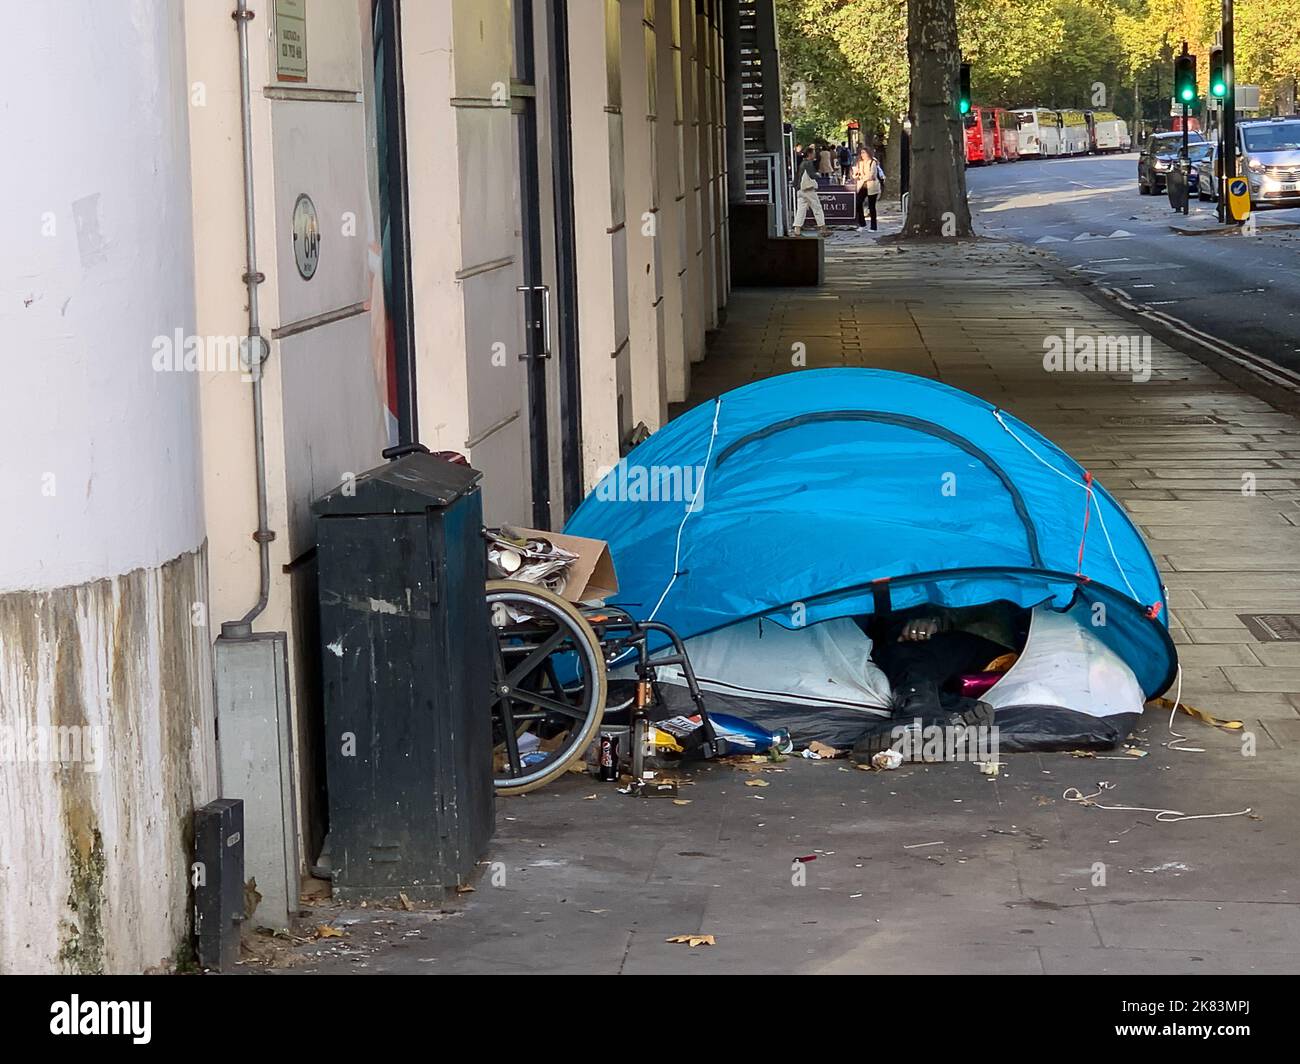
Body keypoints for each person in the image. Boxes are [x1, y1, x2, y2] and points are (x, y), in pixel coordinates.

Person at [849, 601, 1027, 762]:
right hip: (950, 655)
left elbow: (974, 593)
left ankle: (919, 716)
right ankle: (954, 711)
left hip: (984, 641)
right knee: (893, 661)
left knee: (907, 655)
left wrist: (936, 621)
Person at [790, 146, 830, 237]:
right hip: (808, 189)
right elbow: (812, 175)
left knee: (801, 209)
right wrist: (819, 175)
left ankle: (797, 229)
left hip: (800, 190)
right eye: (813, 153)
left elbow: (797, 176)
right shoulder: (808, 163)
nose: (815, 155)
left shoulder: (801, 163)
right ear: (810, 154)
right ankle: (823, 228)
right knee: (817, 208)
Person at [852, 145, 884, 231]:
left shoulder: (872, 162)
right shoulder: (860, 163)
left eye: (864, 153)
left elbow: (872, 175)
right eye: (861, 153)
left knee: (871, 206)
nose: (862, 154)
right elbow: (857, 174)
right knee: (858, 203)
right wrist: (856, 175)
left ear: (868, 153)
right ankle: (862, 224)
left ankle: (873, 227)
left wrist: (863, 177)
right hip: (862, 185)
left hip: (872, 186)